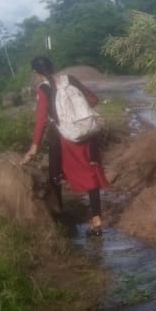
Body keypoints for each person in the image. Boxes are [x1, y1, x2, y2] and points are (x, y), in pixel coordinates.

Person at [20, 56, 109, 236]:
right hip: (87, 133)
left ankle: (60, 218)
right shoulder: (70, 79)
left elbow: (41, 119)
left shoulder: (43, 89)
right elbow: (93, 99)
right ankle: (97, 220)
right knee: (90, 174)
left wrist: (34, 147)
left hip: (64, 138)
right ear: (53, 67)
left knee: (55, 175)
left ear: (36, 73)